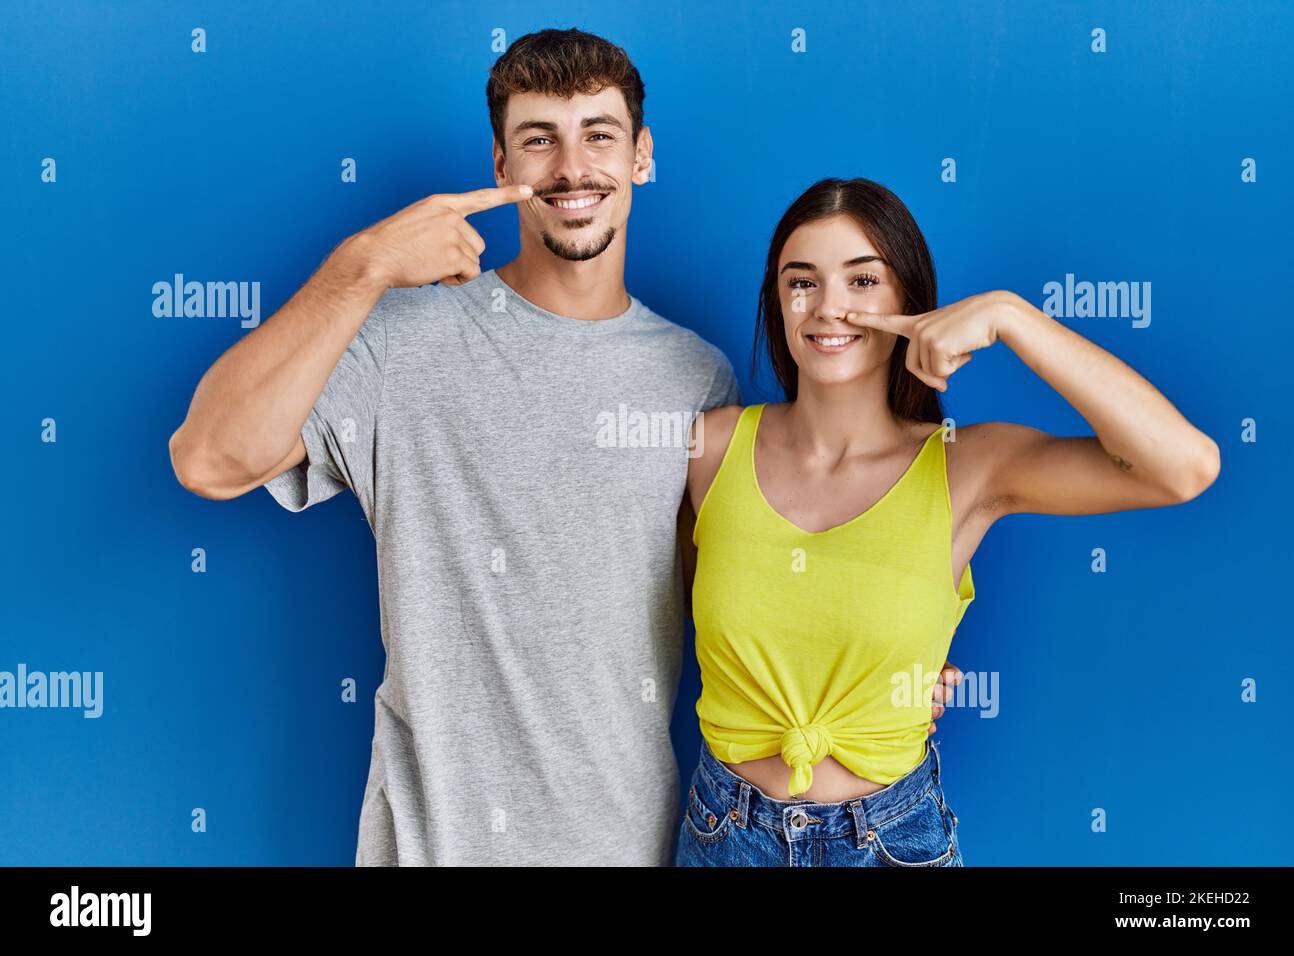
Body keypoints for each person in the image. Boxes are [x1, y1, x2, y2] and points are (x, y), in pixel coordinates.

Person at [166, 27, 962, 866]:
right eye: (539, 140)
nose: (572, 168)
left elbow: (741, 601)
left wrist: (891, 668)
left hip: (640, 844)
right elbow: (208, 458)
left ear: (641, 155)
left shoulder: (698, 380)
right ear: (502, 166)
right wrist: (360, 267)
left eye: (599, 135)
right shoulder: (396, 345)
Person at [675, 177, 1220, 867]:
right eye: (801, 282)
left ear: (910, 302)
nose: (829, 307)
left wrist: (1012, 316)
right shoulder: (709, 447)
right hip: (723, 833)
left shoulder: (969, 466)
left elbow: (1184, 466)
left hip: (888, 842)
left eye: (863, 280)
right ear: (778, 303)